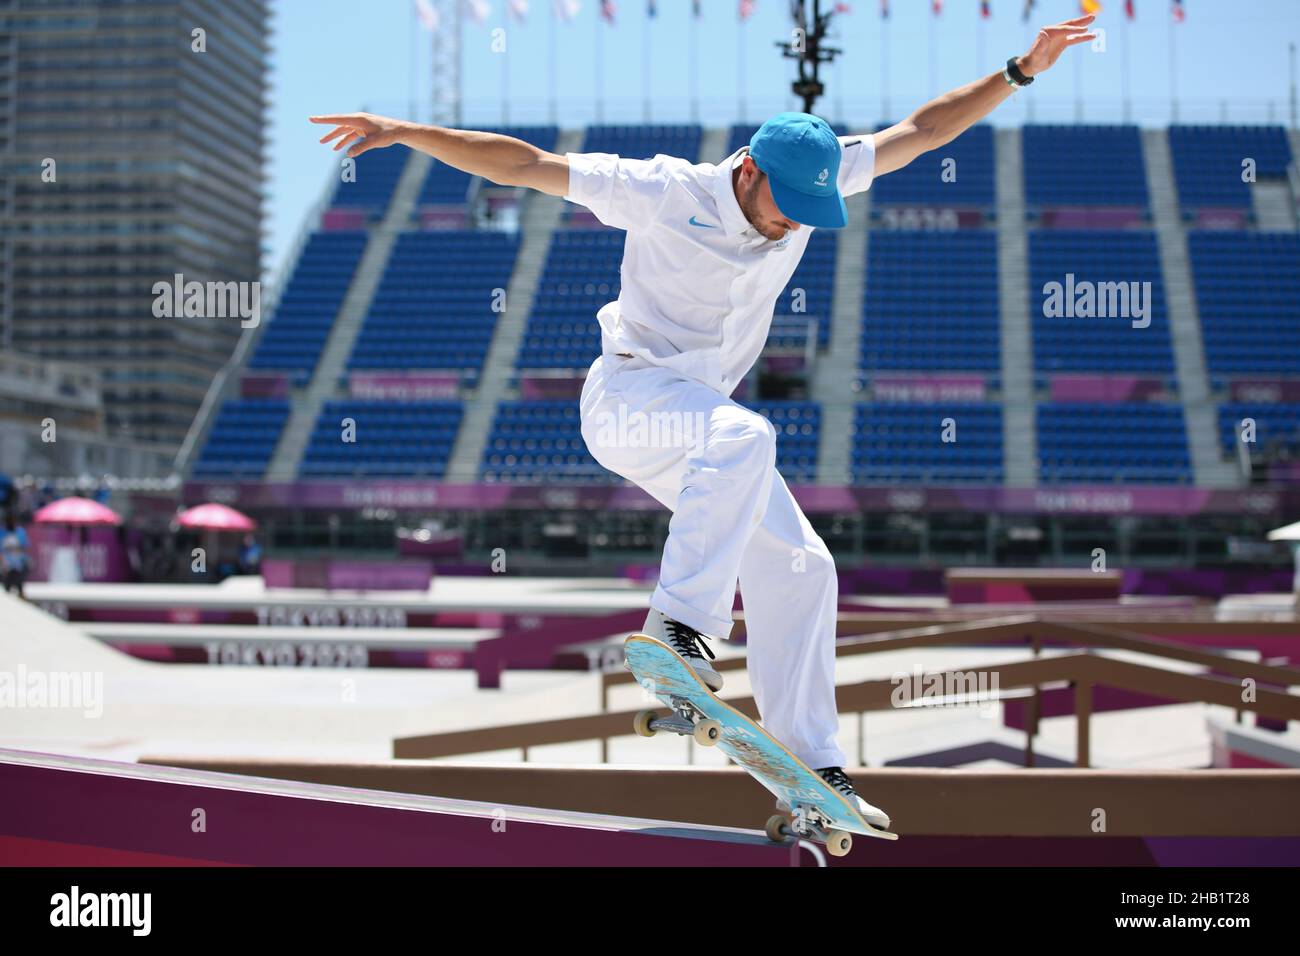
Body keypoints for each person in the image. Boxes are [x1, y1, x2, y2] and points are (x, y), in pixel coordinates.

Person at [311, 14, 1096, 830]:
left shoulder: (816, 180)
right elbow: (527, 164)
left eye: (807, 212)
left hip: (697, 428)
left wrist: (1018, 71)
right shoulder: (662, 190)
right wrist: (403, 132)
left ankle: (814, 765)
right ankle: (678, 631)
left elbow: (923, 130)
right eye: (784, 207)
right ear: (749, 171)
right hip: (628, 401)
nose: (792, 224)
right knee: (746, 435)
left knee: (803, 565)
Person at [1, 514, 31, 600]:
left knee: (20, 587)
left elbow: (25, 547)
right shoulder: (2, 533)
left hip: (19, 565)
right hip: (6, 566)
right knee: (7, 589)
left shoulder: (20, 532)